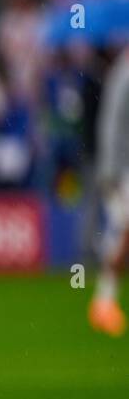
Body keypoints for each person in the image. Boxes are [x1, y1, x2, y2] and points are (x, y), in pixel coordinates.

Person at [88, 47, 129, 337]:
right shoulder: (124, 72)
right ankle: (103, 302)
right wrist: (109, 172)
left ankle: (104, 301)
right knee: (122, 234)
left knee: (121, 235)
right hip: (123, 170)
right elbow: (110, 123)